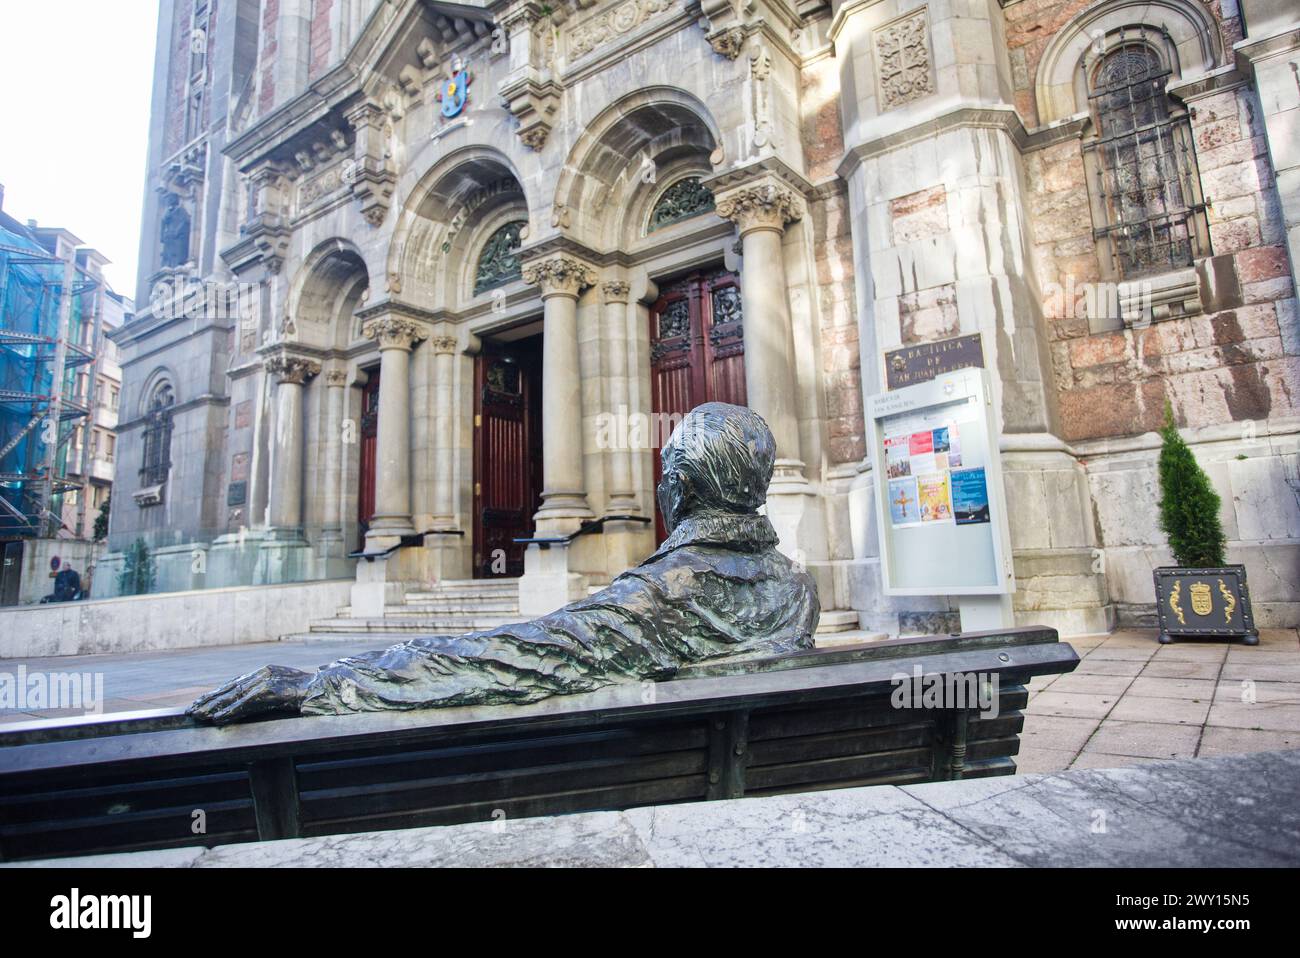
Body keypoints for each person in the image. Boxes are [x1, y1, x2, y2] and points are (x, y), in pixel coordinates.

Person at [189, 402, 819, 724]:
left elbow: (502, 657)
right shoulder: (797, 588)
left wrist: (323, 683)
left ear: (678, 489)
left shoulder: (659, 598)